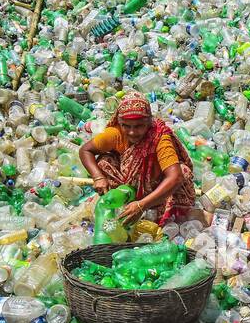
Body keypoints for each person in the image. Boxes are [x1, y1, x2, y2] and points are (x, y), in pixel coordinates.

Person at [79, 92, 198, 225]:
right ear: (120, 122)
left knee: (183, 171)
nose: (132, 132)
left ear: (148, 122)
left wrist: (142, 205)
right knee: (104, 162)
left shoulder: (159, 137)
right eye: (126, 126)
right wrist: (98, 178)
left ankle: (154, 211)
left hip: (155, 187)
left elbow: (175, 177)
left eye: (139, 126)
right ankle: (122, 200)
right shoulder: (116, 133)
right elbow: (85, 150)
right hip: (126, 183)